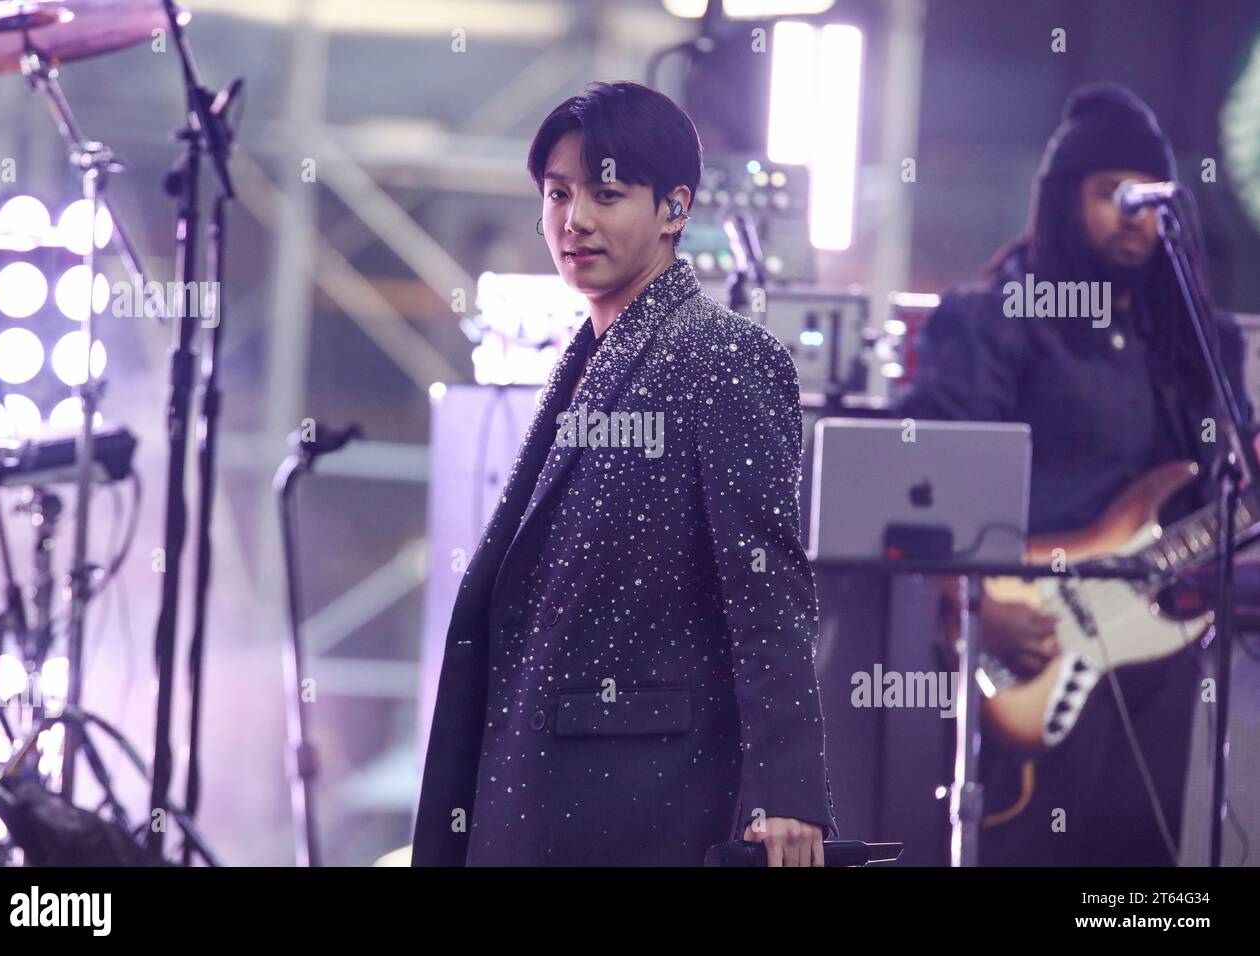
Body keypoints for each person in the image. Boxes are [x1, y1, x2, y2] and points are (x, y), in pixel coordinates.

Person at [411, 81, 837, 866]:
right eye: (558, 194)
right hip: (534, 786)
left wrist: (788, 792)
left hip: (643, 802)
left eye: (606, 195)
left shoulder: (725, 356)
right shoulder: (579, 360)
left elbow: (768, 587)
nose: (574, 220)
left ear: (675, 208)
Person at [898, 82, 1251, 866]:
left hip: (1160, 642)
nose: (1134, 214)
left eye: (1148, 197)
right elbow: (932, 466)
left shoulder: (1194, 338)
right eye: (1110, 193)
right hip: (1030, 634)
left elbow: (1225, 480)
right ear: (1063, 200)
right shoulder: (997, 319)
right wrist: (970, 597)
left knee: (1138, 874)